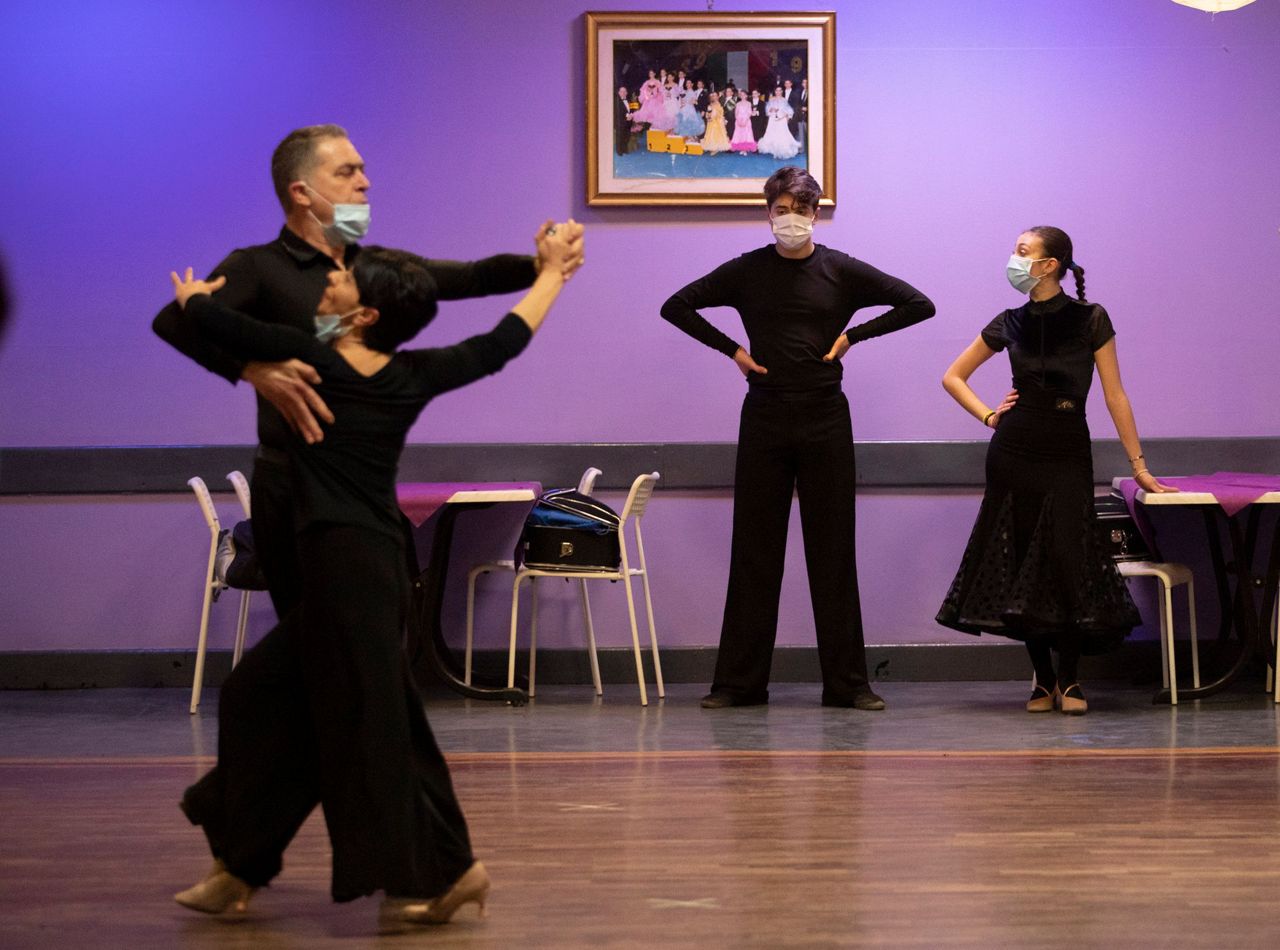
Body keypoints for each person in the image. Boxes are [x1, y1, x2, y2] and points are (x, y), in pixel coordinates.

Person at [169, 224, 585, 932]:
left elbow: (214, 320)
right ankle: (250, 860)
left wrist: (191, 298)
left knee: (374, 730)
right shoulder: (405, 377)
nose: (328, 283)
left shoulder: (308, 360)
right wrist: (550, 278)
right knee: (260, 697)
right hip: (364, 567)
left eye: (340, 285)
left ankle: (427, 876)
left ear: (361, 315)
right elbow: (501, 344)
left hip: (350, 572)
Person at [152, 124, 543, 620]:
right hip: (289, 480)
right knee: (312, 631)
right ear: (301, 192)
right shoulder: (259, 267)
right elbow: (174, 319)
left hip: (362, 484)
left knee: (374, 623)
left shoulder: (370, 268)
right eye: (347, 171)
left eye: (362, 169)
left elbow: (472, 276)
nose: (365, 182)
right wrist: (253, 371)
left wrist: (544, 265)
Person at [660, 167, 935, 710]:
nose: (790, 218)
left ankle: (848, 685)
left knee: (833, 551)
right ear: (768, 213)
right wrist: (734, 352)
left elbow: (918, 303)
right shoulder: (746, 271)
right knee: (754, 551)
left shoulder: (840, 269)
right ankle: (739, 684)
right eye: (781, 209)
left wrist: (854, 335)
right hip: (763, 416)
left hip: (826, 418)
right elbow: (676, 306)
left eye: (800, 209)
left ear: (815, 213)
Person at [935, 226, 1175, 715]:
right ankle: (1042, 681)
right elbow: (952, 376)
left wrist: (1140, 466)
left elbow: (1115, 395)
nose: (1013, 258)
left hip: (1067, 448)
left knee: (1068, 557)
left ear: (1050, 265)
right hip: (1014, 449)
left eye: (1023, 252)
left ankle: (1070, 680)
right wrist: (988, 415)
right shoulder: (1010, 321)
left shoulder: (1091, 318)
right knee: (1023, 558)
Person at [757, 87, 801, 160]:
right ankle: (773, 150)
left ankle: (782, 150)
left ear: (782, 91)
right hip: (773, 119)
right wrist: (771, 110)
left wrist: (785, 116)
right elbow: (767, 110)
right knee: (771, 133)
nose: (778, 92)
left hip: (781, 119)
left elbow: (789, 110)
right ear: (775, 91)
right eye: (777, 90)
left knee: (782, 133)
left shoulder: (784, 100)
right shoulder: (771, 99)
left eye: (780, 90)